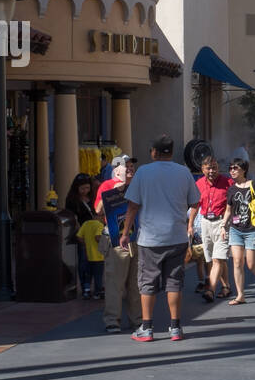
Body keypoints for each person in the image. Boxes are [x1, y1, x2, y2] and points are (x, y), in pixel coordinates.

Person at [121, 134, 199, 342]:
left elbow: (133, 205)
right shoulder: (184, 172)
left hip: (150, 239)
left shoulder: (144, 172)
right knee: (174, 282)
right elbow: (195, 202)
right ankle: (175, 327)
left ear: (154, 152)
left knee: (148, 282)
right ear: (172, 152)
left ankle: (147, 328)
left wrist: (125, 232)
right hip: (177, 236)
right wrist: (188, 223)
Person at [222, 159, 255, 304]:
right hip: (235, 230)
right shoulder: (231, 189)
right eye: (230, 168)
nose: (232, 170)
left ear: (243, 170)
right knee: (237, 262)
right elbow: (228, 210)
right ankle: (240, 295)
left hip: (252, 230)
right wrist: (223, 226)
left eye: (235, 168)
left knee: (252, 265)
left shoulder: (253, 185)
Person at [96, 155, 138, 332]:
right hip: (115, 238)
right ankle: (113, 319)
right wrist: (115, 191)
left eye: (131, 166)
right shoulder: (106, 185)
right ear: (116, 169)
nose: (130, 169)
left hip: (136, 237)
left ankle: (138, 319)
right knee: (115, 282)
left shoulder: (138, 185)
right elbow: (98, 210)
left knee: (136, 282)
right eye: (126, 166)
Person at [188, 156, 232, 303]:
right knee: (214, 258)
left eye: (214, 167)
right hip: (205, 223)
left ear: (218, 168)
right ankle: (226, 287)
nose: (212, 171)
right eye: (208, 168)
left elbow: (233, 204)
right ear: (203, 169)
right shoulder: (199, 184)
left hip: (222, 223)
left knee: (217, 258)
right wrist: (190, 225)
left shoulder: (227, 182)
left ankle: (211, 290)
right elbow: (195, 205)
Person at [65, 173, 99, 299]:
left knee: (97, 260)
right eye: (82, 188)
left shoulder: (93, 197)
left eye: (87, 188)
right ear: (76, 188)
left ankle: (98, 285)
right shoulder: (72, 200)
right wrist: (80, 234)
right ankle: (86, 286)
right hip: (83, 234)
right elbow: (72, 218)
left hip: (95, 233)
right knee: (84, 260)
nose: (85, 191)